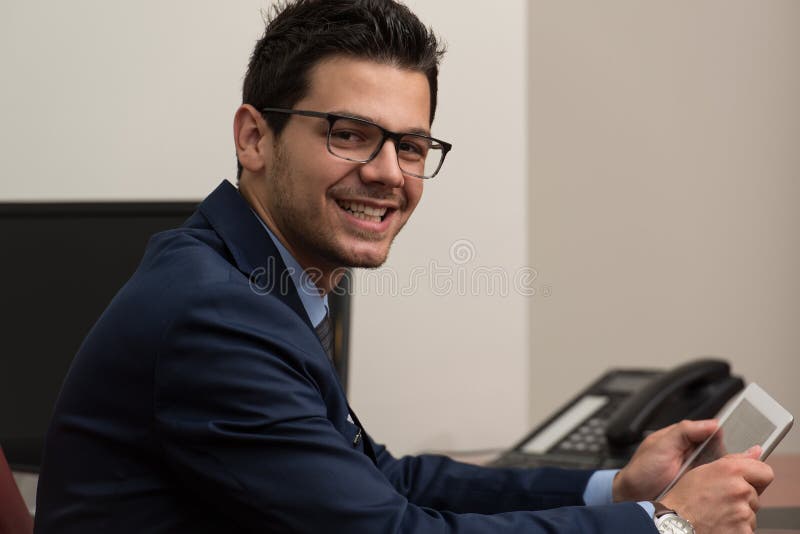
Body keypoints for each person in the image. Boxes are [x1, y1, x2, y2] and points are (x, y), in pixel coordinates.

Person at [34, 1, 773, 532]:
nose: (389, 173)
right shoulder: (215, 316)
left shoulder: (252, 280)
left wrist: (618, 487)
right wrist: (668, 525)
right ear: (254, 138)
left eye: (412, 146)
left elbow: (383, 479)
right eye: (350, 133)